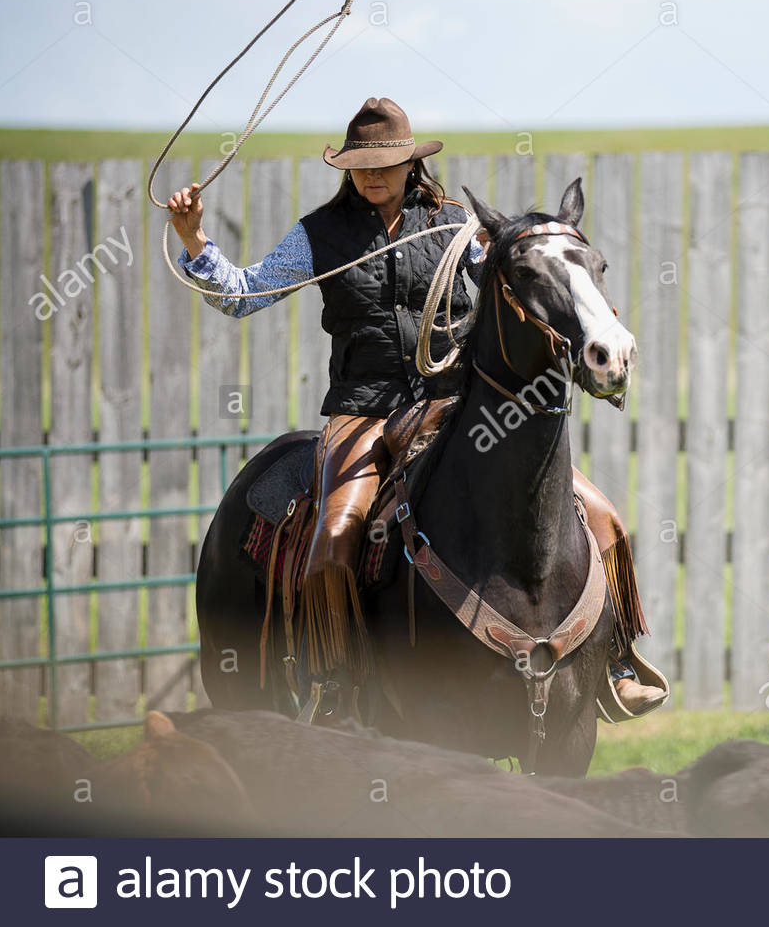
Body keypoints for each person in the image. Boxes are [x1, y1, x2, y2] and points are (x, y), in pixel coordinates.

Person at [168, 97, 666, 716]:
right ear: (345, 167)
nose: (373, 174)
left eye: (386, 162)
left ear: (411, 162)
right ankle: (335, 683)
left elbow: (521, 282)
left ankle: (614, 663)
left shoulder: (458, 227)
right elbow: (244, 295)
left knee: (602, 514)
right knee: (334, 535)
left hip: (453, 403)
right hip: (364, 412)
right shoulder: (320, 235)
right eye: (360, 164)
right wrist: (195, 239)